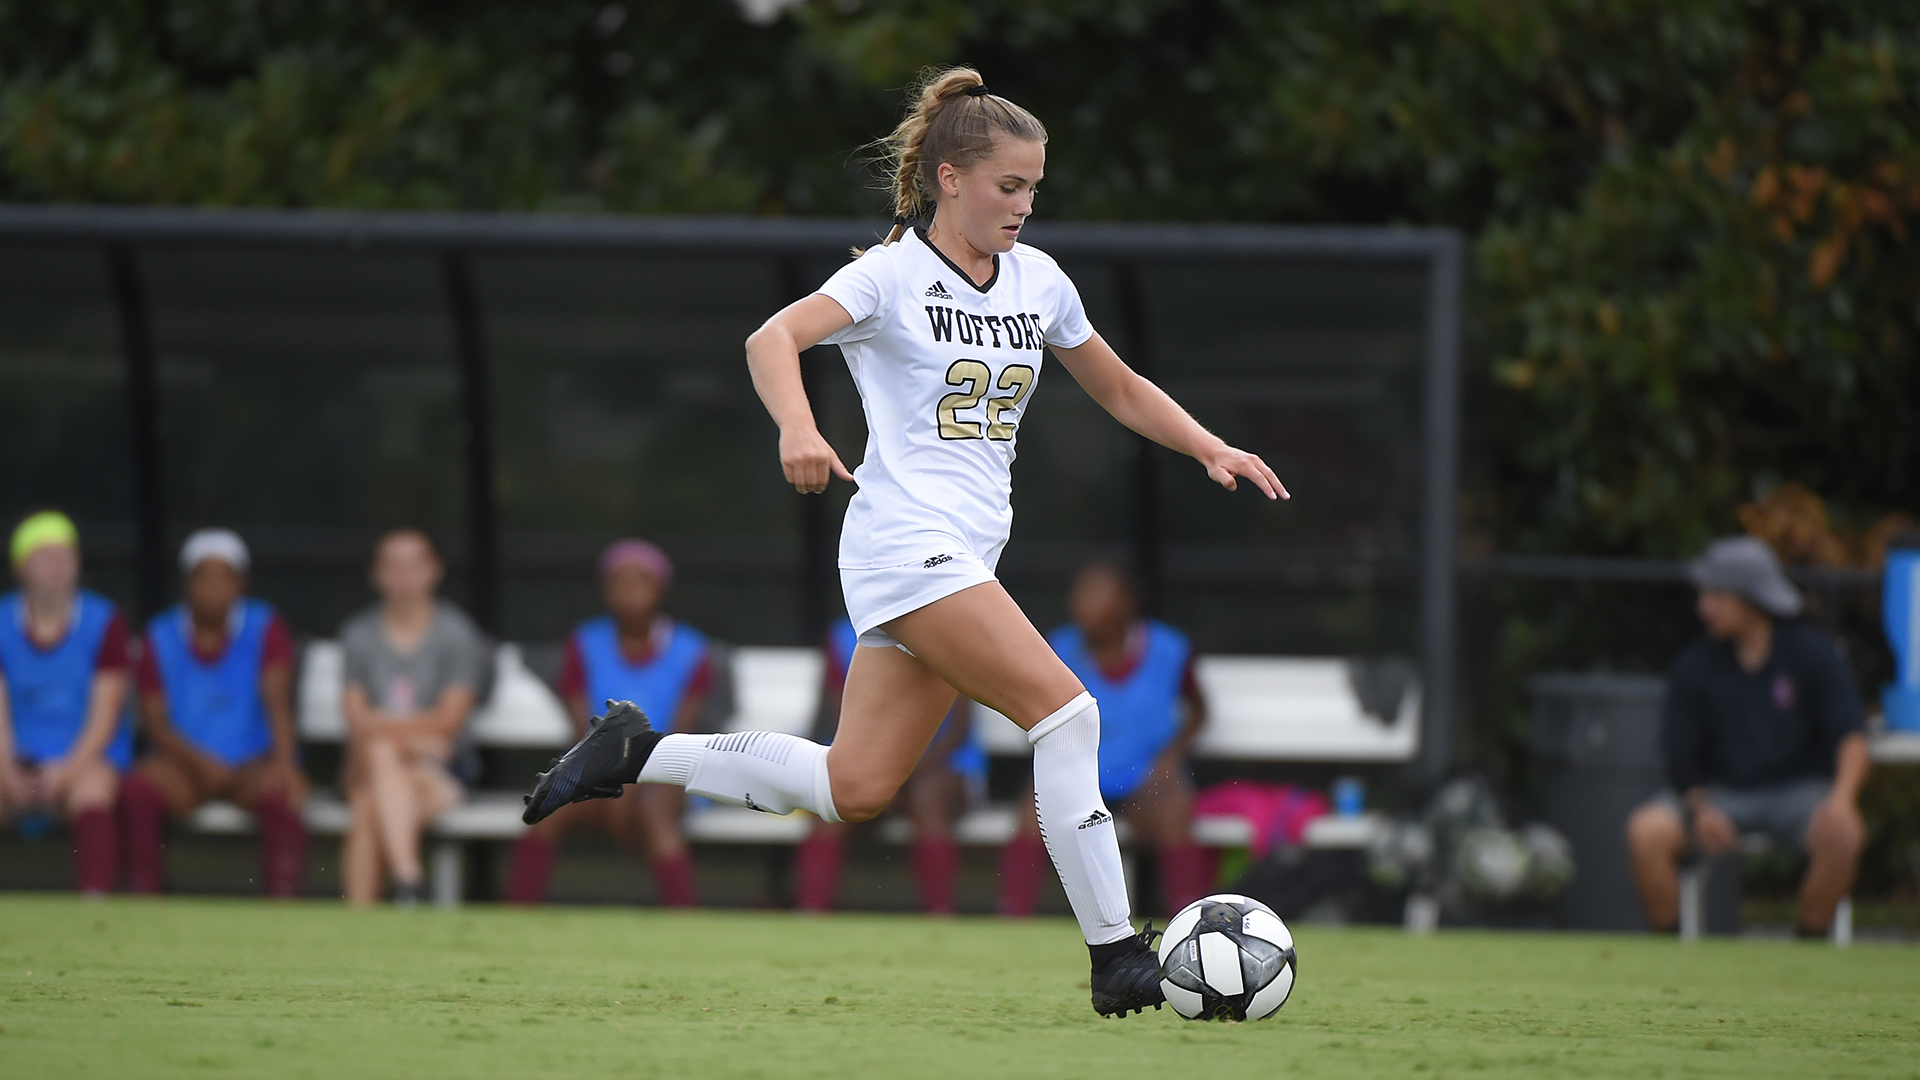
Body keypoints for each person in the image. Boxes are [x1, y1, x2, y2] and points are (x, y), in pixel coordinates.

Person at [521, 67, 1285, 1016]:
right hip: (901, 545)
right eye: (1010, 186)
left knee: (856, 786)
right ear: (949, 178)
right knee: (1067, 714)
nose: (1025, 205)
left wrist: (1210, 447)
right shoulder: (887, 275)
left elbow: (1120, 388)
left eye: (1036, 188)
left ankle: (635, 754)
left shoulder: (1039, 281)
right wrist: (799, 430)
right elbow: (772, 339)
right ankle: (1114, 955)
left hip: (961, 556)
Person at [1626, 536, 1869, 936]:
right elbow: (1678, 752)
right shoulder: (1694, 664)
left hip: (1799, 793)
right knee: (1646, 831)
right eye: (1704, 594)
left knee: (1845, 835)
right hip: (1718, 795)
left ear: (1753, 598)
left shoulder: (1813, 653)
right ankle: (1667, 948)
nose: (1704, 607)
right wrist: (1701, 807)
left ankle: (1810, 946)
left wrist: (1842, 800)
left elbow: (1852, 736)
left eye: (1718, 594)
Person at [1000, 561, 1211, 917]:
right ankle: (1011, 918)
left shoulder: (1169, 648)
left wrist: (1171, 756)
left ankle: (1192, 918)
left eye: (1096, 593)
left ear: (1127, 602)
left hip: (1145, 772)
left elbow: (1199, 710)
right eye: (1079, 593)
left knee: (1174, 811)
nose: (1083, 603)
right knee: (1030, 812)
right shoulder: (1058, 646)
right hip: (1077, 769)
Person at [506, 540, 711, 906]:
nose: (629, 591)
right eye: (619, 582)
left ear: (660, 589)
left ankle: (686, 917)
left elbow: (681, 735)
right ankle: (516, 912)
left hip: (667, 774)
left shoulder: (692, 651)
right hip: (595, 768)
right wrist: (616, 778)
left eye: (640, 581)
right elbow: (581, 727)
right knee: (546, 808)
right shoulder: (583, 644)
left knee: (654, 812)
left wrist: (633, 780)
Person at [120, 529, 307, 896]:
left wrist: (286, 763)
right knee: (138, 791)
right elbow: (155, 723)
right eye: (203, 577)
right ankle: (143, 899)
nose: (213, 587)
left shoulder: (265, 626)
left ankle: (284, 904)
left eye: (224, 577)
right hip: (183, 765)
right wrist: (203, 765)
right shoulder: (159, 635)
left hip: (250, 763)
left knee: (283, 791)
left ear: (241, 584)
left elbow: (277, 702)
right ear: (187, 583)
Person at [793, 617, 985, 914]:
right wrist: (882, 772)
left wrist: (897, 772)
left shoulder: (950, 623)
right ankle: (810, 913)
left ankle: (940, 915)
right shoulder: (844, 636)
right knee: (829, 810)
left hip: (941, 767)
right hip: (870, 761)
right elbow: (841, 721)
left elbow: (957, 733)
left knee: (927, 798)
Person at [339, 529, 487, 905]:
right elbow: (355, 719)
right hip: (376, 763)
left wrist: (384, 730)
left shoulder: (457, 634)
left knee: (369, 804)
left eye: (414, 565)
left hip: (439, 773)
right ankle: (408, 878)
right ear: (377, 573)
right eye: (393, 565)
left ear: (434, 570)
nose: (404, 576)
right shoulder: (358, 635)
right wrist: (418, 737)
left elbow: (449, 722)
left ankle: (367, 916)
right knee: (380, 756)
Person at [0, 511, 132, 894]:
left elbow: (104, 718)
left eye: (66, 556)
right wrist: (7, 770)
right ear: (21, 566)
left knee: (92, 790)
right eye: (46, 557)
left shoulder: (104, 621)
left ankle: (95, 905)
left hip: (83, 759)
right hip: (14, 760)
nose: (58, 567)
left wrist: (66, 772)